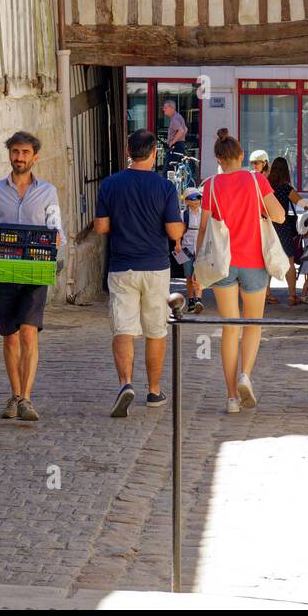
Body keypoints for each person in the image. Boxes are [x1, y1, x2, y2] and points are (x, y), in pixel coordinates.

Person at [0, 132, 63, 423]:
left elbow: (55, 225)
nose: (19, 158)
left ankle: (26, 399)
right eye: (15, 152)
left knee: (29, 332)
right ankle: (15, 393)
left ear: (35, 157)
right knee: (10, 337)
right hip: (2, 270)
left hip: (35, 270)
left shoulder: (48, 192)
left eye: (24, 153)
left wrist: (56, 238)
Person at [92, 128, 184, 417]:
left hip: (122, 267)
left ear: (128, 151)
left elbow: (101, 227)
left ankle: (125, 383)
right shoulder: (165, 188)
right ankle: (154, 390)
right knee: (156, 330)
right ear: (155, 153)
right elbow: (172, 230)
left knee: (123, 328)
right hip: (156, 267)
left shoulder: (110, 184)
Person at [196, 128, 285, 413]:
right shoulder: (256, 180)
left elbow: (203, 230)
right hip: (254, 262)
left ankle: (232, 396)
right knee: (253, 324)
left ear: (218, 159)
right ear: (242, 156)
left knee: (229, 328)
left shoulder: (210, 186)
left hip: (223, 263)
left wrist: (197, 269)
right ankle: (246, 374)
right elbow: (280, 216)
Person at [268, 156, 305, 306]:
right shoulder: (286, 189)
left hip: (267, 227)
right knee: (289, 261)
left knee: (267, 261)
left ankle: (267, 294)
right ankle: (291, 295)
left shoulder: (266, 186)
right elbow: (304, 203)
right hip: (282, 227)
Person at [248, 149, 278, 301]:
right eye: (252, 163)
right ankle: (262, 292)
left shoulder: (262, 179)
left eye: (257, 163)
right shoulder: (257, 178)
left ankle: (265, 291)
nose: (254, 165)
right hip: (258, 222)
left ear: (265, 163)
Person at [181, 186, 205, 312]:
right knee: (189, 276)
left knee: (199, 275)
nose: (196, 200)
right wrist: (177, 245)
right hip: (186, 248)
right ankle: (191, 301)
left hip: (201, 248)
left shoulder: (204, 214)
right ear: (186, 201)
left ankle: (198, 300)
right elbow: (179, 232)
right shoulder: (183, 215)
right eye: (192, 198)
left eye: (198, 197)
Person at [162, 98, 188, 169]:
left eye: (165, 107)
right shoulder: (179, 116)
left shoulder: (174, 119)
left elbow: (181, 130)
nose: (163, 109)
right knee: (177, 169)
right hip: (179, 146)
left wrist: (173, 142)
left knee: (168, 170)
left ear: (171, 108)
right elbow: (185, 129)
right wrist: (180, 139)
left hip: (175, 147)